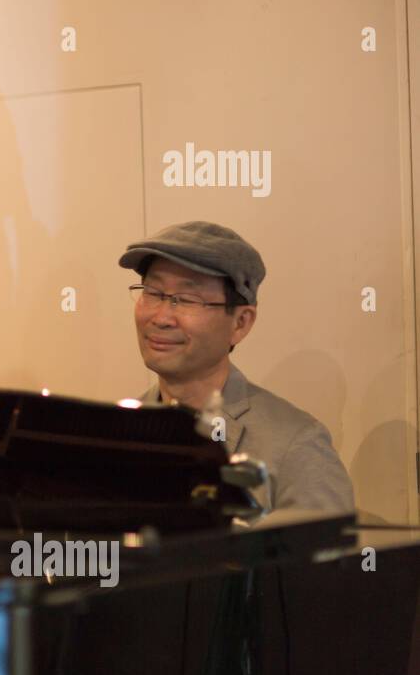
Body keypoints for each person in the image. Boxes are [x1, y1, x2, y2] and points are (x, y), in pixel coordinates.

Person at [120, 220, 353, 514]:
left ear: (240, 323)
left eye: (186, 299)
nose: (162, 317)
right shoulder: (120, 434)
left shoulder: (295, 446)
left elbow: (326, 557)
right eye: (153, 293)